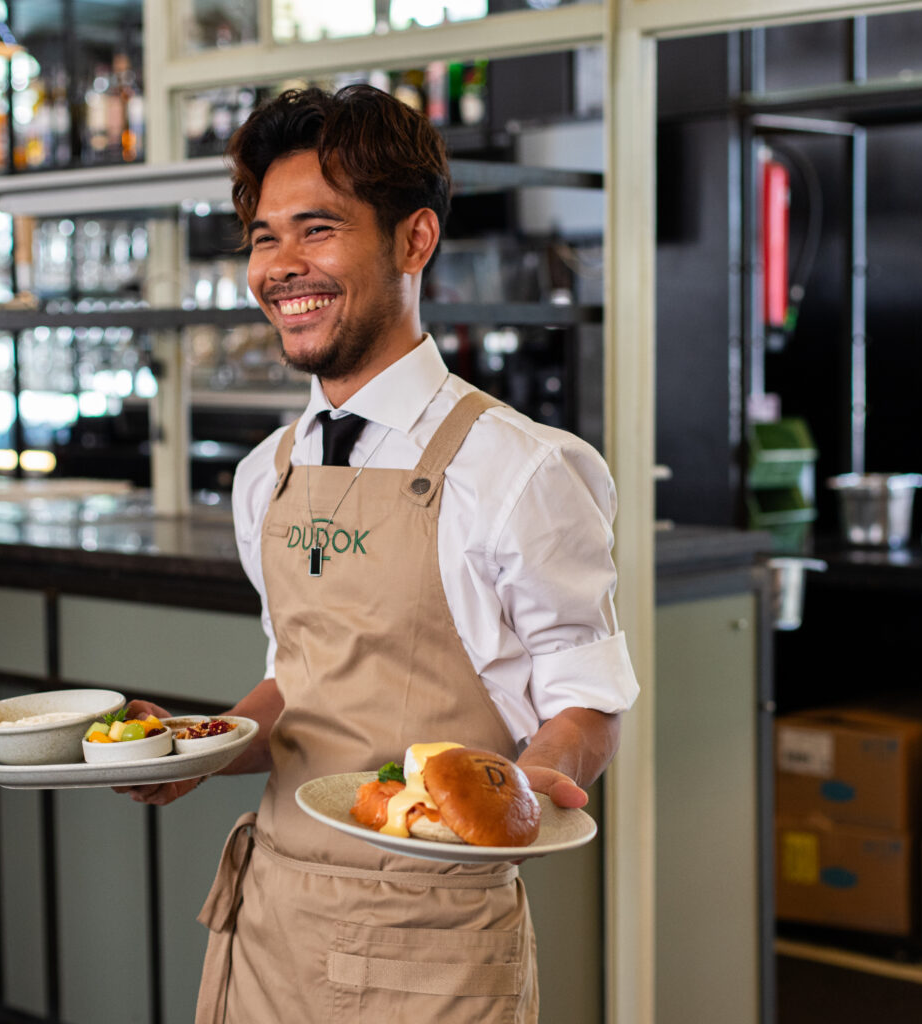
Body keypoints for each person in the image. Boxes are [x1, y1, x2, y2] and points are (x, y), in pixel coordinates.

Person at [119, 84, 638, 1023]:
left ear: (414, 240)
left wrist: (525, 788)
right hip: (269, 917)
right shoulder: (265, 474)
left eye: (317, 230)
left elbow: (587, 706)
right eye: (265, 238)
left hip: (430, 939)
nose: (283, 266)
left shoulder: (522, 468)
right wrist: (199, 747)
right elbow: (302, 686)